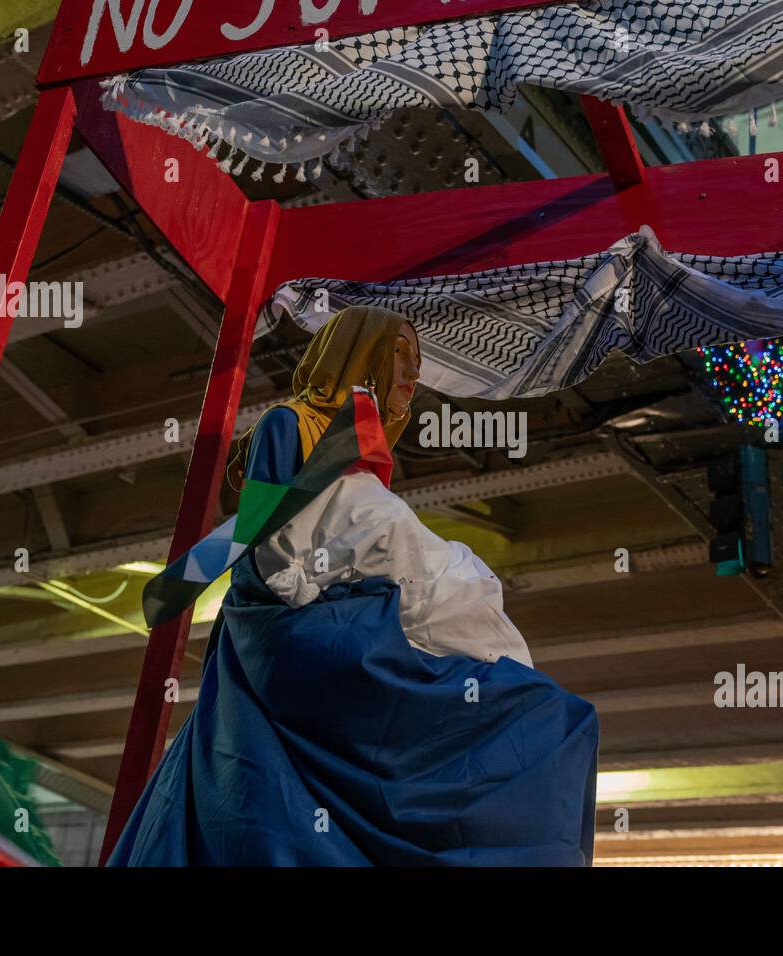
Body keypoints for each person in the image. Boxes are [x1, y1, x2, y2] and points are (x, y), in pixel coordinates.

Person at [108, 305, 598, 866]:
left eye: (417, 361)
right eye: (402, 356)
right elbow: (270, 536)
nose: (414, 374)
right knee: (536, 710)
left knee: (541, 707)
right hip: (314, 613)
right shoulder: (289, 424)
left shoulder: (359, 446)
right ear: (360, 352)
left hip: (360, 603)